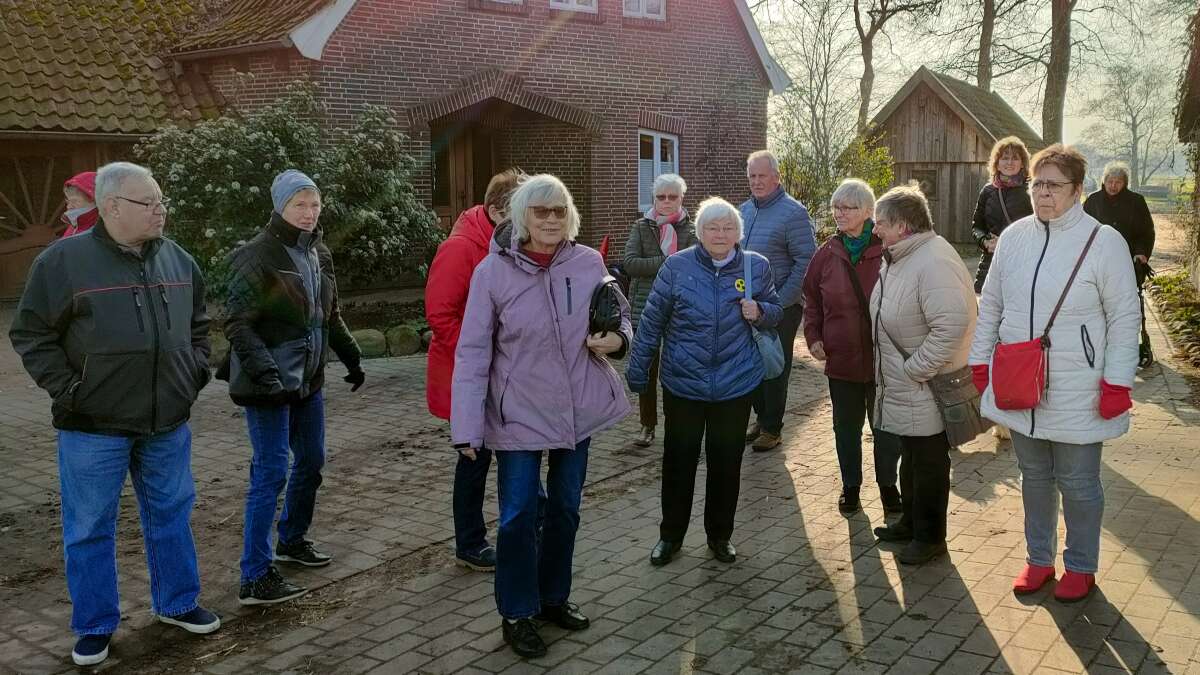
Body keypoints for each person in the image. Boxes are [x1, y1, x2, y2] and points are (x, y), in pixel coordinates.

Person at [9, 161, 220, 666]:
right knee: (89, 527)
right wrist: (71, 390)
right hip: (93, 427)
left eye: (161, 201)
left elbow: (199, 325)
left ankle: (177, 603)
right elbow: (31, 333)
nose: (160, 211)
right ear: (111, 207)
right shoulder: (63, 262)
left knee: (171, 514)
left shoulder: (178, 260)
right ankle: (95, 625)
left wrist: (193, 373)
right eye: (149, 202)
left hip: (167, 420)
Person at [451, 174, 631, 658]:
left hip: (576, 408)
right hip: (517, 413)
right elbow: (472, 352)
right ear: (522, 217)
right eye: (541, 211)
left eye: (559, 211)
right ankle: (517, 612)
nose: (551, 219)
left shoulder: (588, 262)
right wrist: (466, 427)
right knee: (517, 516)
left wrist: (617, 340)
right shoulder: (492, 272)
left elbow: (618, 314)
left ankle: (553, 598)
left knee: (565, 510)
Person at [971, 145, 1140, 602]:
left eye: (1053, 185)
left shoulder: (1104, 242)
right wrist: (980, 360)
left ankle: (1081, 566)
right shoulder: (1014, 237)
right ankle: (1039, 560)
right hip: (1019, 381)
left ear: (1077, 189)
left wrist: (1117, 381)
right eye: (1037, 184)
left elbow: (1125, 317)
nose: (1043, 193)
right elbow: (992, 305)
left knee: (1079, 483)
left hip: (1079, 387)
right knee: (1033, 476)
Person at [220, 170, 364, 607]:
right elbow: (237, 324)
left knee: (312, 461)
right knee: (270, 473)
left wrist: (352, 356)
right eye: (299, 204)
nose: (308, 213)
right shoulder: (254, 255)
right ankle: (255, 575)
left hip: (308, 382)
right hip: (269, 386)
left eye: (314, 204)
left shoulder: (319, 252)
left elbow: (328, 314)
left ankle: (292, 538)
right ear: (280, 206)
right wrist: (268, 377)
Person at [628, 196, 782, 567]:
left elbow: (777, 312)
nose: (720, 234)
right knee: (678, 462)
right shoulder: (676, 266)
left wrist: (760, 310)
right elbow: (651, 321)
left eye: (728, 228)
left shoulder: (756, 266)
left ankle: (720, 536)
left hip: (735, 383)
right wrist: (638, 369)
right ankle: (670, 536)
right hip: (684, 382)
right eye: (712, 228)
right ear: (699, 232)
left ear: (738, 233)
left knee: (726, 463)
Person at [869, 185, 977, 565]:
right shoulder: (905, 255)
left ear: (902, 226)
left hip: (924, 386)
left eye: (880, 223)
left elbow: (952, 324)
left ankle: (930, 537)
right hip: (909, 387)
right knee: (913, 458)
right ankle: (911, 523)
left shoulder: (932, 261)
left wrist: (914, 369)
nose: (875, 229)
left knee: (929, 463)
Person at [425, 168, 523, 572]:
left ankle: (525, 525)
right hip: (467, 377)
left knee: (514, 449)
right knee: (474, 459)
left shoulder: (506, 243)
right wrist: (478, 355)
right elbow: (440, 315)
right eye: (521, 212)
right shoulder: (461, 248)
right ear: (497, 211)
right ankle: (469, 543)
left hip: (503, 372)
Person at [801, 179, 902, 515]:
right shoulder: (827, 253)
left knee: (885, 428)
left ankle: (888, 486)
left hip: (882, 359)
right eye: (836, 207)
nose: (840, 213)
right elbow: (811, 299)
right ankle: (851, 487)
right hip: (841, 359)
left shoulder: (888, 249)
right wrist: (814, 336)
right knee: (845, 428)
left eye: (849, 207)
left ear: (869, 212)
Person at [739, 150, 817, 452]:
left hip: (782, 306)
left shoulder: (793, 213)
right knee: (751, 362)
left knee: (774, 366)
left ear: (777, 177)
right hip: (748, 306)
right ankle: (762, 418)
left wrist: (781, 302)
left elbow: (806, 262)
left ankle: (772, 428)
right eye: (752, 176)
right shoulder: (744, 210)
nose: (756, 181)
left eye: (762, 176)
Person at [623, 173, 697, 448]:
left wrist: (663, 264)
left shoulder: (692, 230)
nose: (666, 201)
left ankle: (677, 423)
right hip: (647, 308)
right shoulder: (641, 227)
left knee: (677, 369)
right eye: (660, 197)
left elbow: (694, 268)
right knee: (647, 368)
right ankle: (647, 424)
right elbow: (631, 263)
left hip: (680, 308)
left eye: (672, 196)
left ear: (681, 198)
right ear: (653, 198)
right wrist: (668, 261)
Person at [1083, 161, 1156, 368]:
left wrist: (1141, 252)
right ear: (1103, 181)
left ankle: (1126, 344)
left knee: (1125, 305)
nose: (1113, 185)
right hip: (1098, 261)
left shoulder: (1136, 201)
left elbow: (1146, 231)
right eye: (1110, 181)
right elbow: (1082, 229)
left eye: (1118, 182)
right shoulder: (1092, 201)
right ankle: (1099, 343)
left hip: (1128, 261)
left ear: (1125, 183)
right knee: (1097, 303)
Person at [971, 136, 1034, 294]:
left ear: (1022, 163)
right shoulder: (987, 191)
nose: (1009, 162)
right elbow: (977, 227)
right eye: (1005, 158)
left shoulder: (1032, 191)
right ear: (997, 163)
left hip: (1021, 265)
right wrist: (985, 242)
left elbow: (1039, 228)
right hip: (990, 264)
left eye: (1015, 158)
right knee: (986, 306)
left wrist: (1007, 243)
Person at [60, 171, 99, 238]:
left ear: (94, 201)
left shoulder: (104, 231)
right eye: (68, 202)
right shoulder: (74, 227)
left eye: (74, 201)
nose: (69, 207)